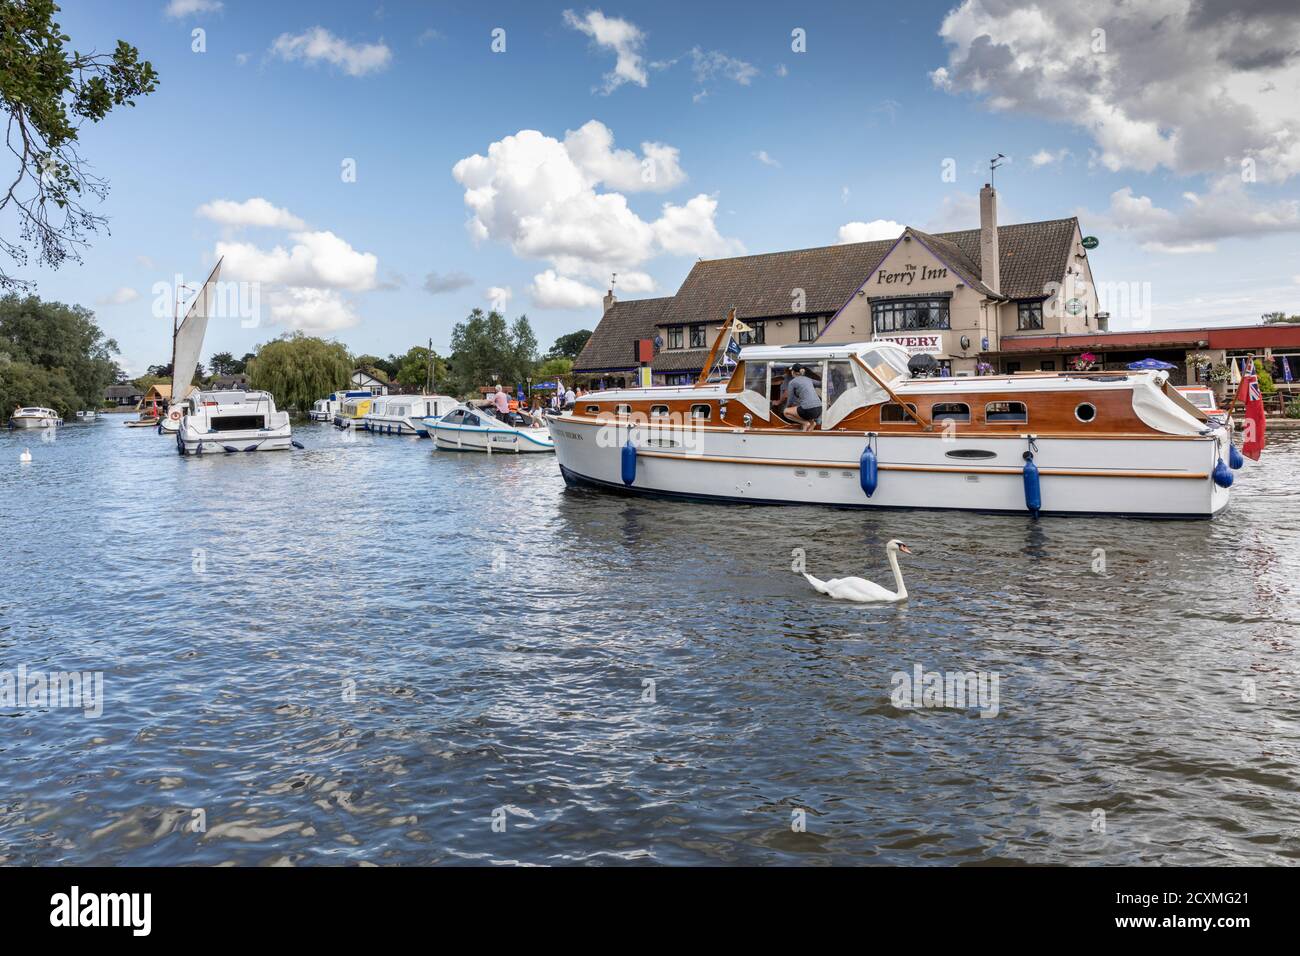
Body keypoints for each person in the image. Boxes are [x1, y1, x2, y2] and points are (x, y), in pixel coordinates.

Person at [783, 364, 822, 432]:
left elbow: (790, 400)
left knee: (786, 412)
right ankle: (811, 425)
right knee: (806, 412)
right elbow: (820, 384)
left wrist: (788, 407)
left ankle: (805, 423)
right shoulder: (808, 379)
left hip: (808, 409)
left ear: (793, 372)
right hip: (819, 408)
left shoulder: (792, 382)